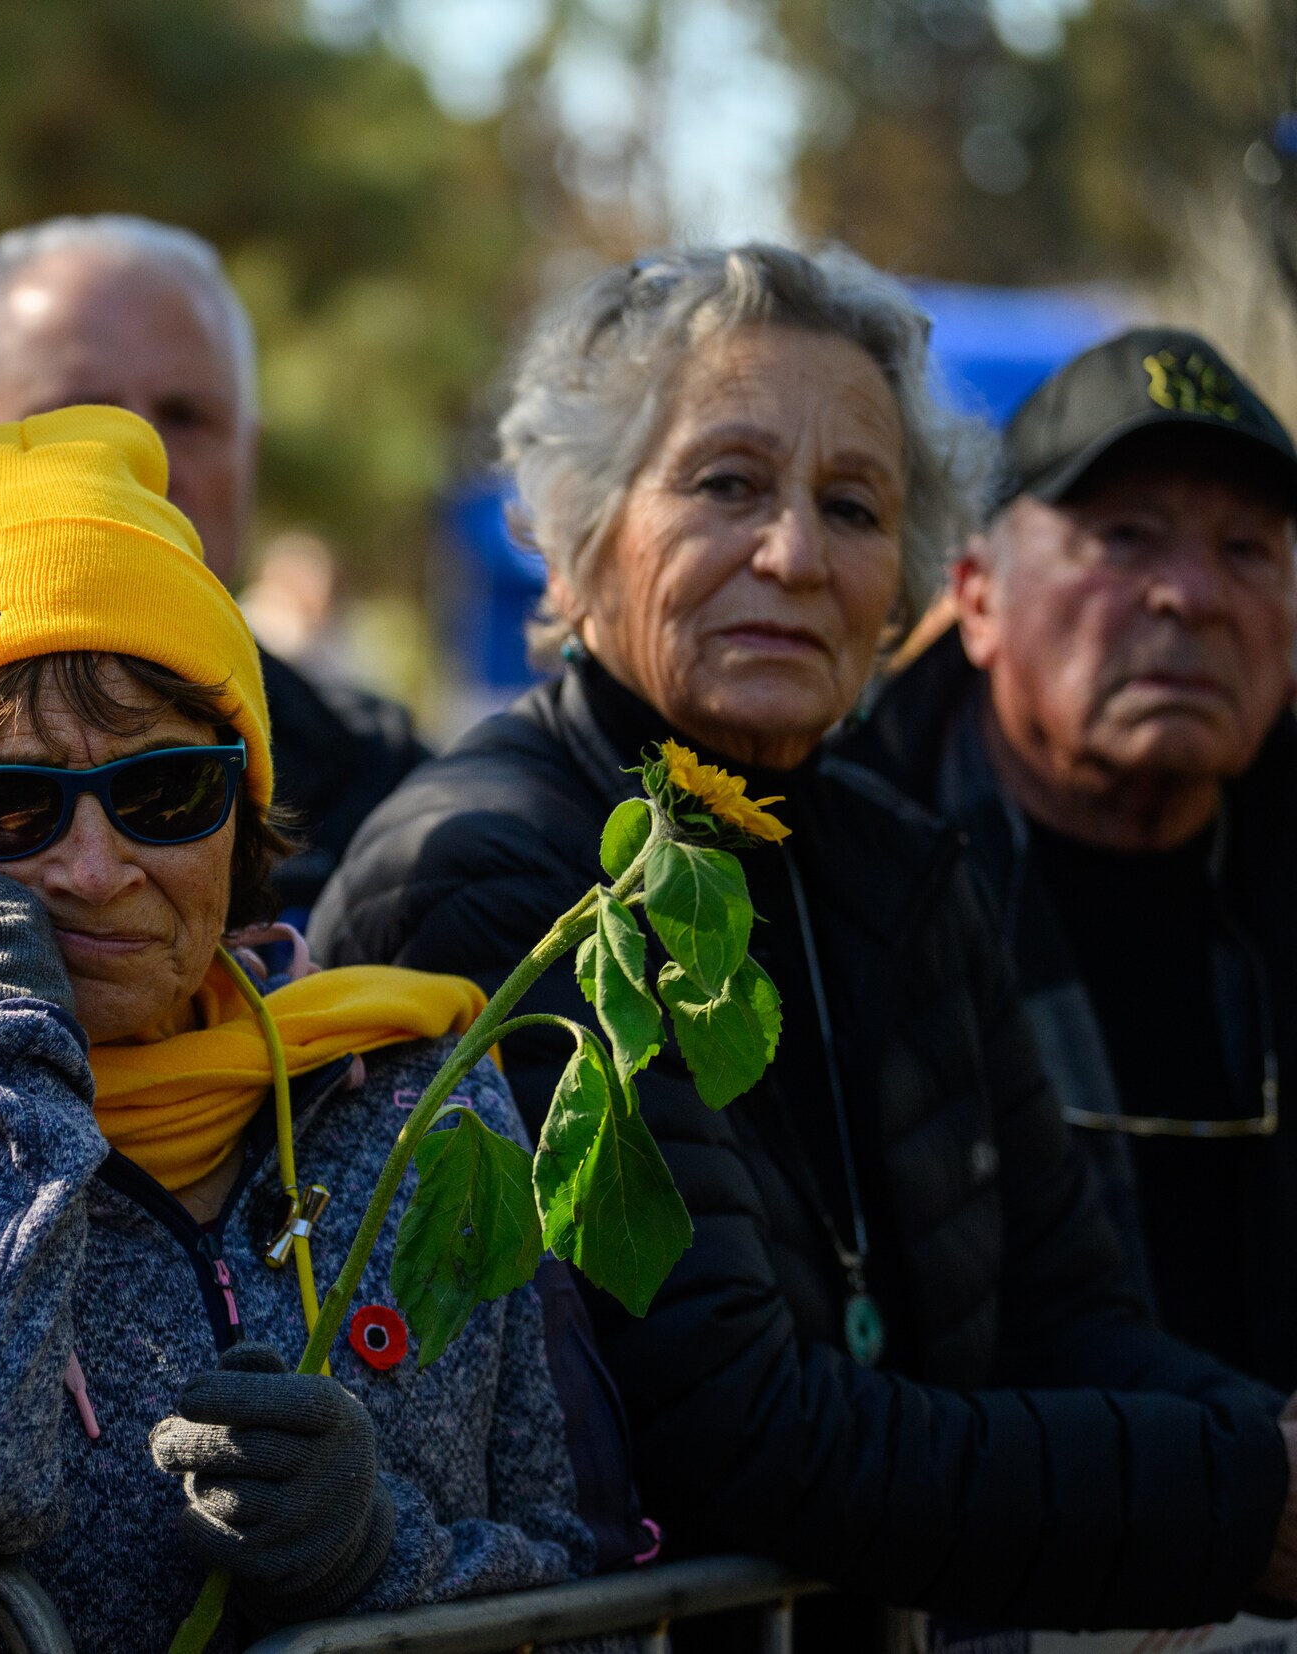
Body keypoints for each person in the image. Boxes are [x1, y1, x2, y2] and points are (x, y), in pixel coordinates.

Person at [309, 247, 1297, 1640]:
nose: (794, 554)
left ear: (904, 579)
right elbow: (734, 1429)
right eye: (726, 484)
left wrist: (1265, 1443)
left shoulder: (892, 861)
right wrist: (1244, 1492)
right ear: (580, 528)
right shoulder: (495, 868)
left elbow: (1066, 1313)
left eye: (852, 504)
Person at [0, 405, 595, 1652]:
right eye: (1, 809)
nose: (95, 868)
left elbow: (587, 1595)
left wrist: (376, 1558)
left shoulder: (422, 1105)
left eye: (162, 789)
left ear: (242, 804)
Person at [849, 329, 1297, 1389]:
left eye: (1247, 550)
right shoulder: (841, 888)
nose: (1189, 595)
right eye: (1122, 538)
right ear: (974, 595)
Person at [0, 214, 426, 917]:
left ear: (247, 456)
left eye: (186, 416)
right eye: (80, 418)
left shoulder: (390, 797)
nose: (146, 464)